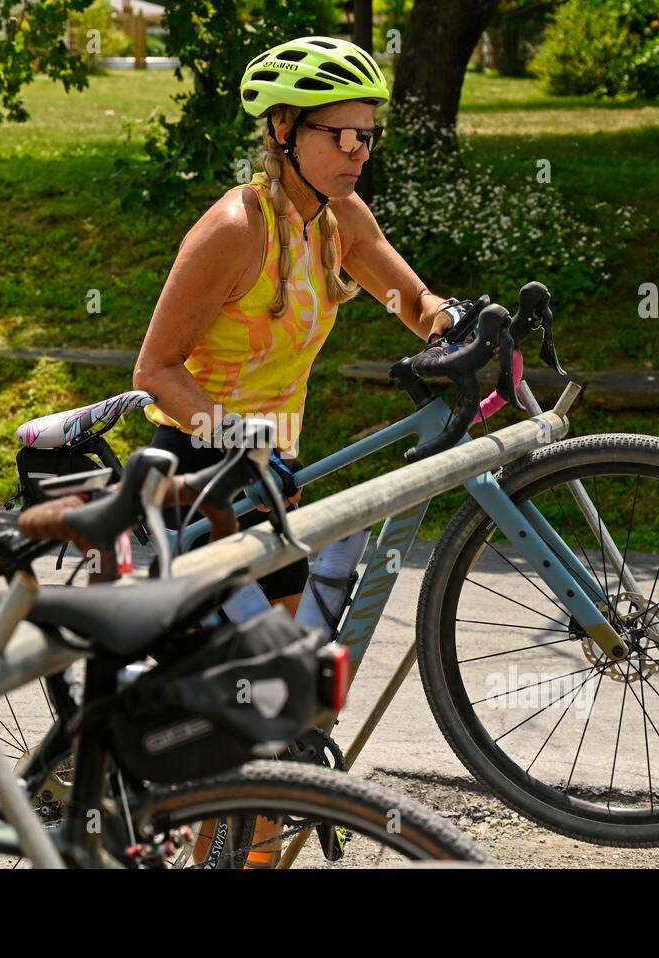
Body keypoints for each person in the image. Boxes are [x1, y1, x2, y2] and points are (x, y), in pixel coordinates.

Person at [133, 35, 461, 619]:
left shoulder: (342, 219)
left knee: (283, 691)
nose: (359, 152)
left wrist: (451, 318)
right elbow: (155, 370)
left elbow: (413, 303)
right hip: (199, 470)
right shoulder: (235, 230)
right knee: (226, 688)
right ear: (285, 129)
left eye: (368, 136)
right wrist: (238, 438)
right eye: (342, 136)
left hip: (274, 472)